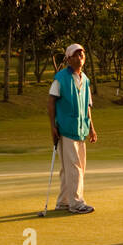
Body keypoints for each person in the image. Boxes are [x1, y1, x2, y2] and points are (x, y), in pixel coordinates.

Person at [47, 43, 97, 214]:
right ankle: (77, 204)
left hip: (81, 129)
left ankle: (64, 201)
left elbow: (87, 106)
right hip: (66, 129)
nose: (80, 56)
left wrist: (92, 128)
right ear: (68, 58)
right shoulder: (60, 78)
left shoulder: (86, 79)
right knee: (74, 167)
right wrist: (53, 126)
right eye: (76, 54)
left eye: (82, 53)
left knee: (77, 167)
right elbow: (51, 101)